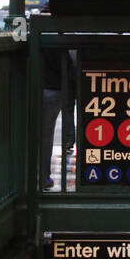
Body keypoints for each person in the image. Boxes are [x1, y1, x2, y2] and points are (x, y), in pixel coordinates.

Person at [42, 48, 76, 192]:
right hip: (54, 88)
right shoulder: (57, 44)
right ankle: (43, 178)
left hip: (35, 87)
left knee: (38, 133)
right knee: (46, 134)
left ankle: (31, 177)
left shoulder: (31, 40)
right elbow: (67, 66)